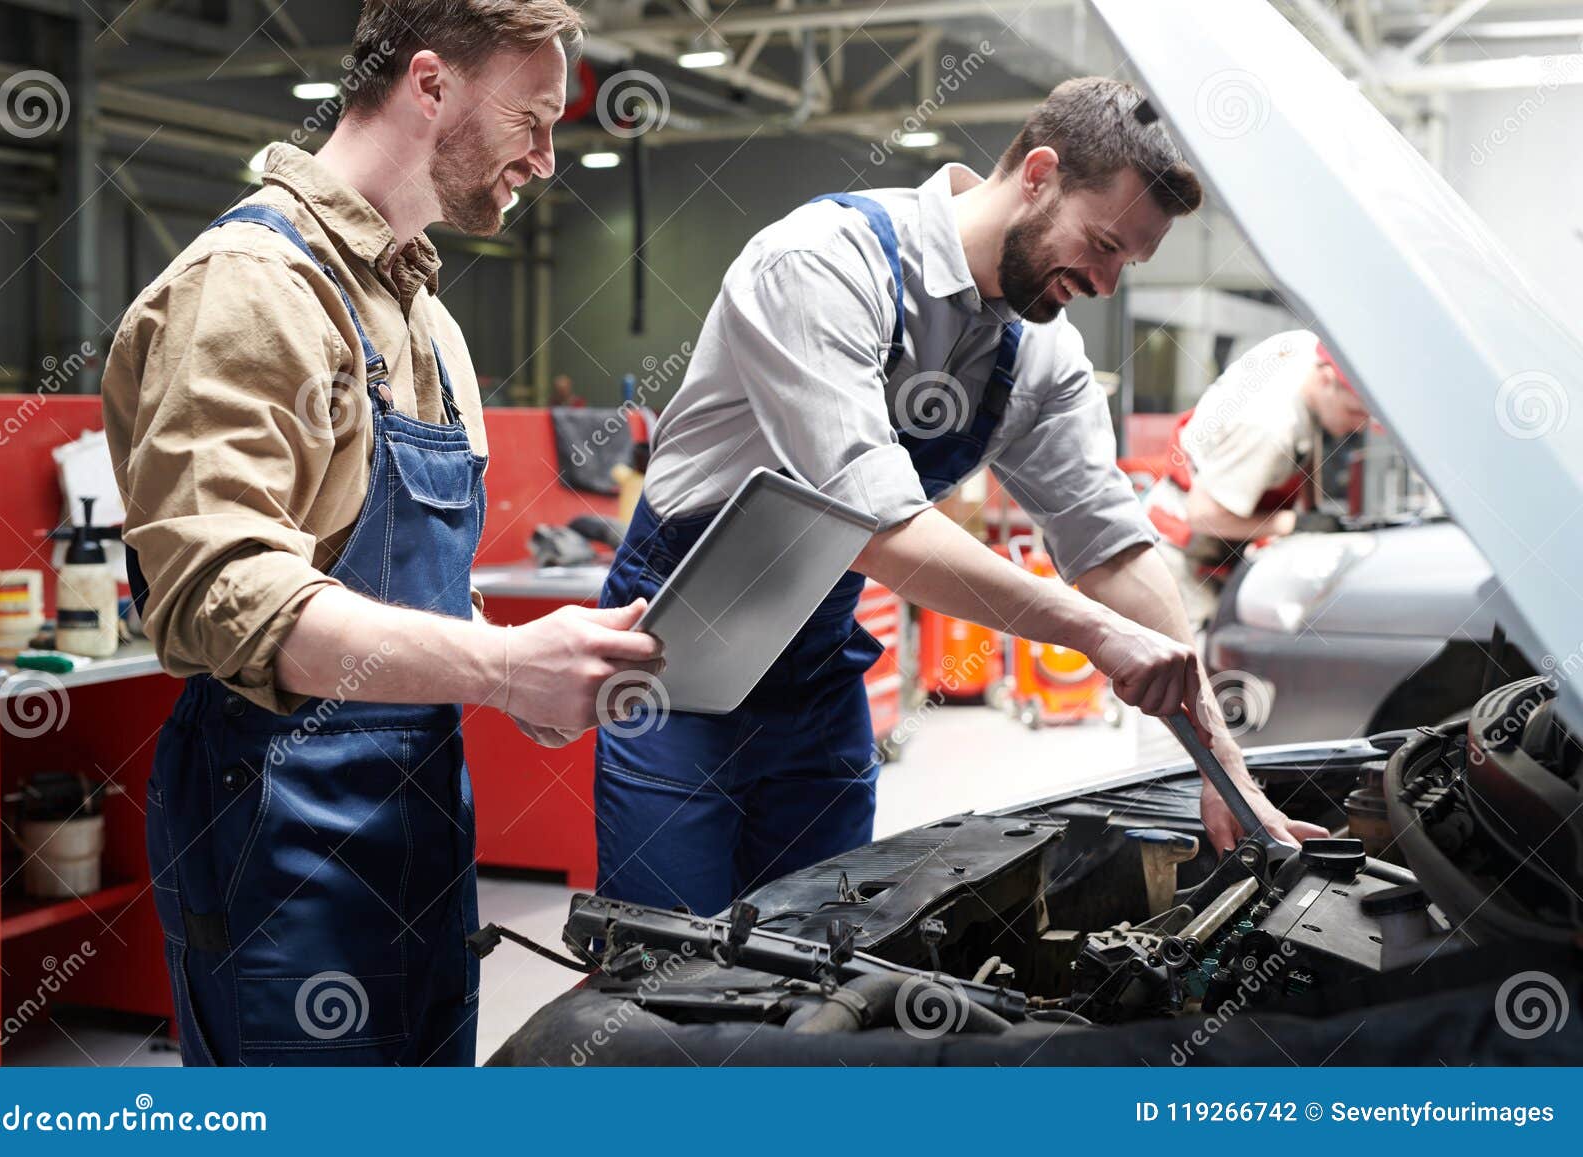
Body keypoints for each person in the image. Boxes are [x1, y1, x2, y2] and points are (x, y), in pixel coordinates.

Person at [594, 78, 1327, 919]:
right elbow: (879, 530)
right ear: (1040, 173)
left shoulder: (1041, 359)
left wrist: (1221, 765)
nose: (1107, 282)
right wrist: (1093, 631)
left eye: (1130, 262)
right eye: (1103, 244)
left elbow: (1113, 550)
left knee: (819, 961)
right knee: (663, 964)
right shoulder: (824, 264)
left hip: (816, 672)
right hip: (676, 665)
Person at [102, 0, 661, 1066]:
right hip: (278, 828)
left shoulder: (427, 317)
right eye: (533, 120)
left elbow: (415, 588)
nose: (546, 160)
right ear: (430, 84)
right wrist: (497, 666)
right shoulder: (253, 288)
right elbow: (229, 595)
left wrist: (532, 673)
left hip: (419, 825)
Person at [1143, 330, 1370, 629]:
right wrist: (1294, 524)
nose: (1357, 426)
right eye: (1354, 413)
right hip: (1182, 554)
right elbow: (1202, 516)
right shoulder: (1268, 426)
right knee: (1194, 662)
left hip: (1220, 542)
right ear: (1325, 378)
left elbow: (1310, 434)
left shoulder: (1305, 346)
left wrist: (1312, 511)